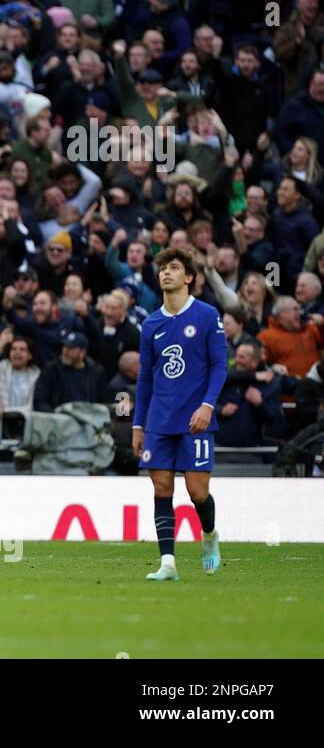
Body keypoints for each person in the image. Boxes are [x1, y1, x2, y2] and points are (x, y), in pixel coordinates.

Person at [132, 248, 227, 582]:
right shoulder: (151, 323)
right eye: (162, 268)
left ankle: (210, 535)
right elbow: (145, 377)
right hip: (159, 419)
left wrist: (208, 405)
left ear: (189, 277)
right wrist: (138, 423)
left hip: (195, 419)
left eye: (174, 268)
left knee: (197, 492)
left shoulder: (206, 315)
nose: (166, 273)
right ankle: (168, 563)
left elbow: (219, 365)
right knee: (161, 488)